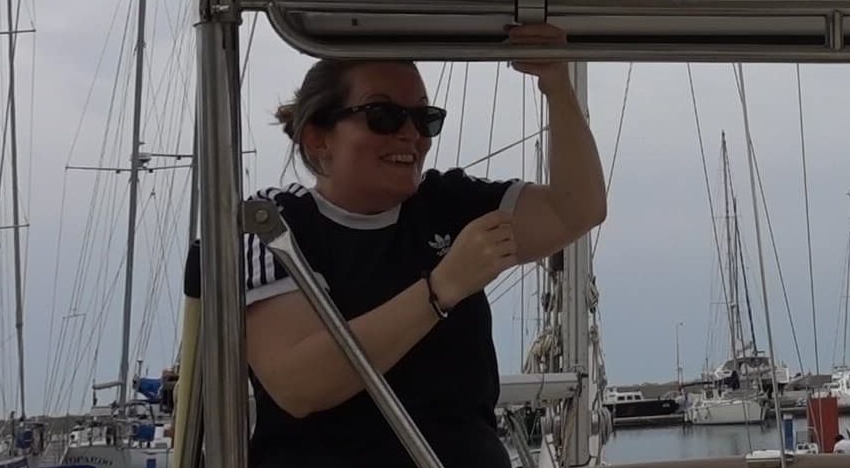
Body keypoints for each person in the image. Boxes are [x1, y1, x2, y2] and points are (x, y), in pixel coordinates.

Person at [241, 24, 606, 468]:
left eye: (424, 118)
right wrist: (441, 287)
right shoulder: (274, 225)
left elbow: (577, 210)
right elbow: (299, 385)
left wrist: (556, 87)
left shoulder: (448, 204)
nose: (411, 134)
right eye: (383, 116)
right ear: (319, 137)